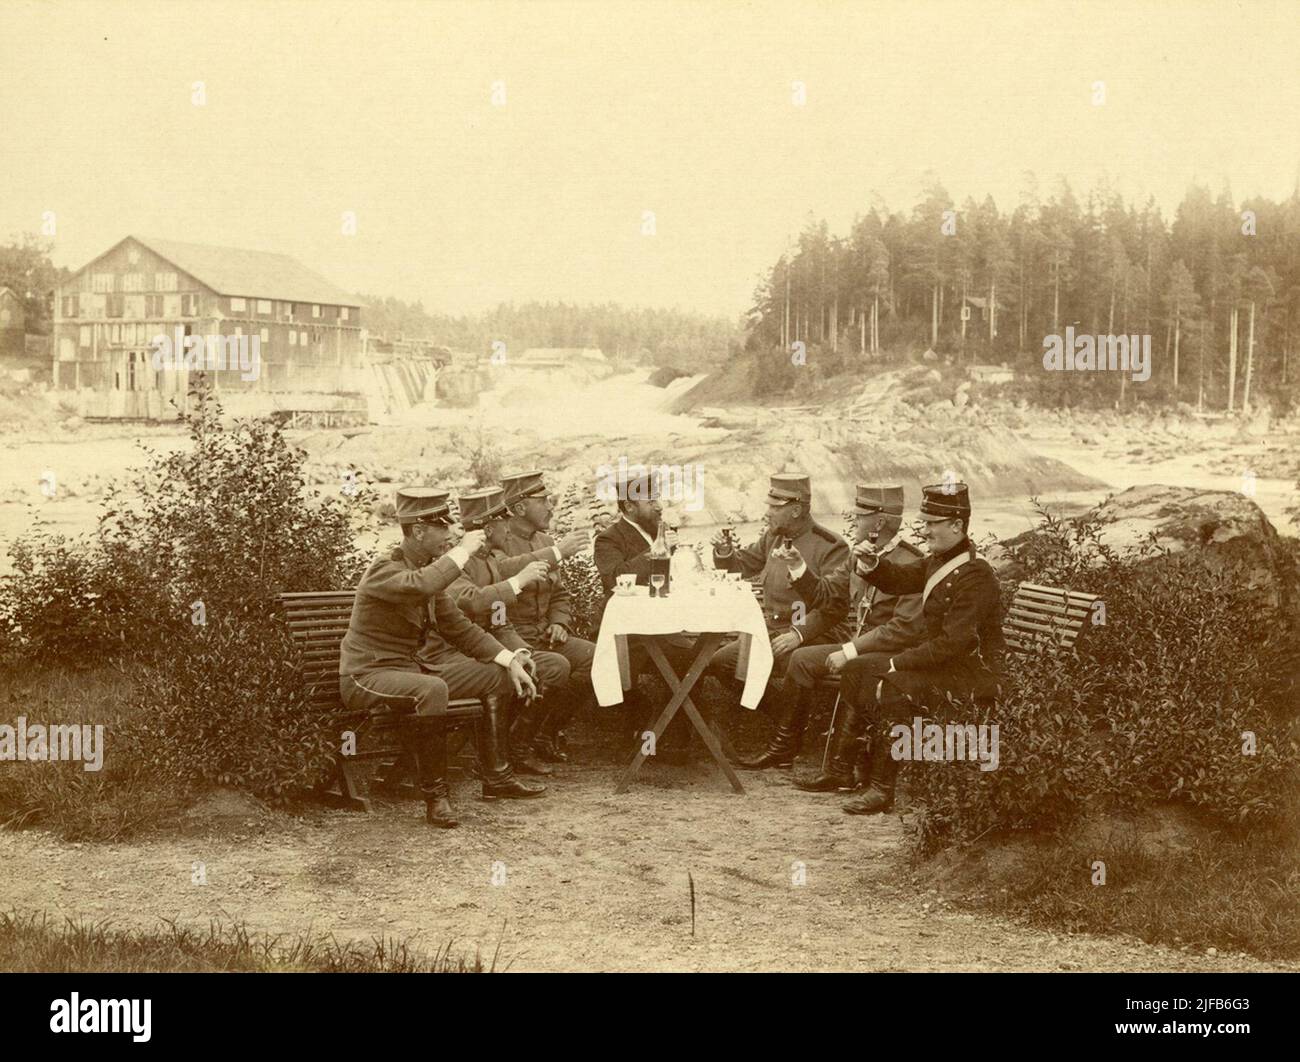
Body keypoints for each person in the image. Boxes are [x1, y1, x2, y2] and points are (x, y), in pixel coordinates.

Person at [339, 487, 539, 829]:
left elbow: (462, 630)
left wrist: (510, 660)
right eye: (442, 527)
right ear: (418, 531)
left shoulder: (429, 573)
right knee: (431, 689)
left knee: (497, 675)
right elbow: (419, 585)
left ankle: (497, 777)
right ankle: (435, 796)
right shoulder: (384, 570)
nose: (450, 534)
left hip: (411, 673)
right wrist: (461, 552)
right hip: (366, 676)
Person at [810, 481, 1005, 815]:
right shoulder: (941, 559)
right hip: (944, 663)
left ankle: (883, 788)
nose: (925, 530)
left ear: (956, 525)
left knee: (893, 683)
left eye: (932, 524)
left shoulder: (975, 575)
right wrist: (872, 566)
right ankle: (846, 769)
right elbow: (900, 579)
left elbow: (954, 644)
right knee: (858, 668)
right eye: (925, 522)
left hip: (973, 673)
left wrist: (898, 663)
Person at [737, 485, 925, 788]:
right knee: (801, 659)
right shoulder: (859, 557)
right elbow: (827, 597)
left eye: (860, 515)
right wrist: (798, 565)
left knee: (855, 667)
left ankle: (841, 770)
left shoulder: (911, 562)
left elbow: (903, 630)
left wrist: (851, 650)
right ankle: (784, 747)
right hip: (858, 647)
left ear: (878, 523)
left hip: (889, 653)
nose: (854, 519)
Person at [447, 486, 584, 776]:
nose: (508, 527)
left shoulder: (488, 561)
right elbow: (471, 602)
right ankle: (498, 761)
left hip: (494, 645)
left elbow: (499, 620)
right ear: (488, 528)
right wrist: (519, 581)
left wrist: (522, 653)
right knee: (532, 669)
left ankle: (520, 746)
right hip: (461, 654)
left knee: (553, 665)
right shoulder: (458, 564)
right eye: (502, 521)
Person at [706, 473, 850, 721]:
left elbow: (833, 606)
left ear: (795, 510)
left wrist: (798, 634)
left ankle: (792, 725)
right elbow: (740, 566)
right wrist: (724, 551)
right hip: (774, 633)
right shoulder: (773, 538)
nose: (767, 513)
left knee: (786, 661)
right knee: (722, 662)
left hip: (815, 636)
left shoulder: (830, 546)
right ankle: (787, 718)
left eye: (774, 507)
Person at [591, 467, 696, 756]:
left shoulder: (658, 531)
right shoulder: (609, 539)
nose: (659, 505)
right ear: (628, 506)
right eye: (651, 501)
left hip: (662, 627)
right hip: (628, 635)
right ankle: (666, 735)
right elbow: (613, 579)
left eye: (658, 498)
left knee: (696, 656)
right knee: (689, 659)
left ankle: (676, 735)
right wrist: (656, 553)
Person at [495, 470, 598, 761]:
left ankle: (544, 733)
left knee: (596, 658)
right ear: (518, 508)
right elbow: (504, 571)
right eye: (543, 501)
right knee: (558, 665)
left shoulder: (544, 540)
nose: (550, 506)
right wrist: (556, 552)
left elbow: (559, 594)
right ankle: (517, 745)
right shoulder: (498, 540)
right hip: (511, 637)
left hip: (543, 633)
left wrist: (558, 622)